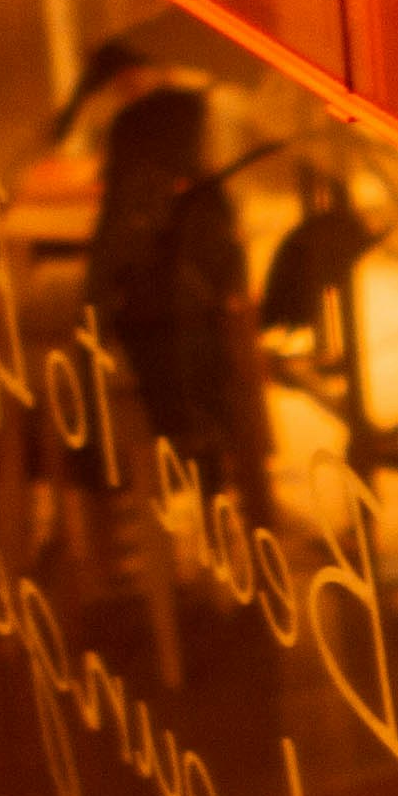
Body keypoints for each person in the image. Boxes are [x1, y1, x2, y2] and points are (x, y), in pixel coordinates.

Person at [79, 80, 271, 530]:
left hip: (166, 357)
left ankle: (113, 489)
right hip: (185, 364)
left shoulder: (149, 201)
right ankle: (213, 495)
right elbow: (230, 271)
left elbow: (103, 281)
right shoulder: (195, 198)